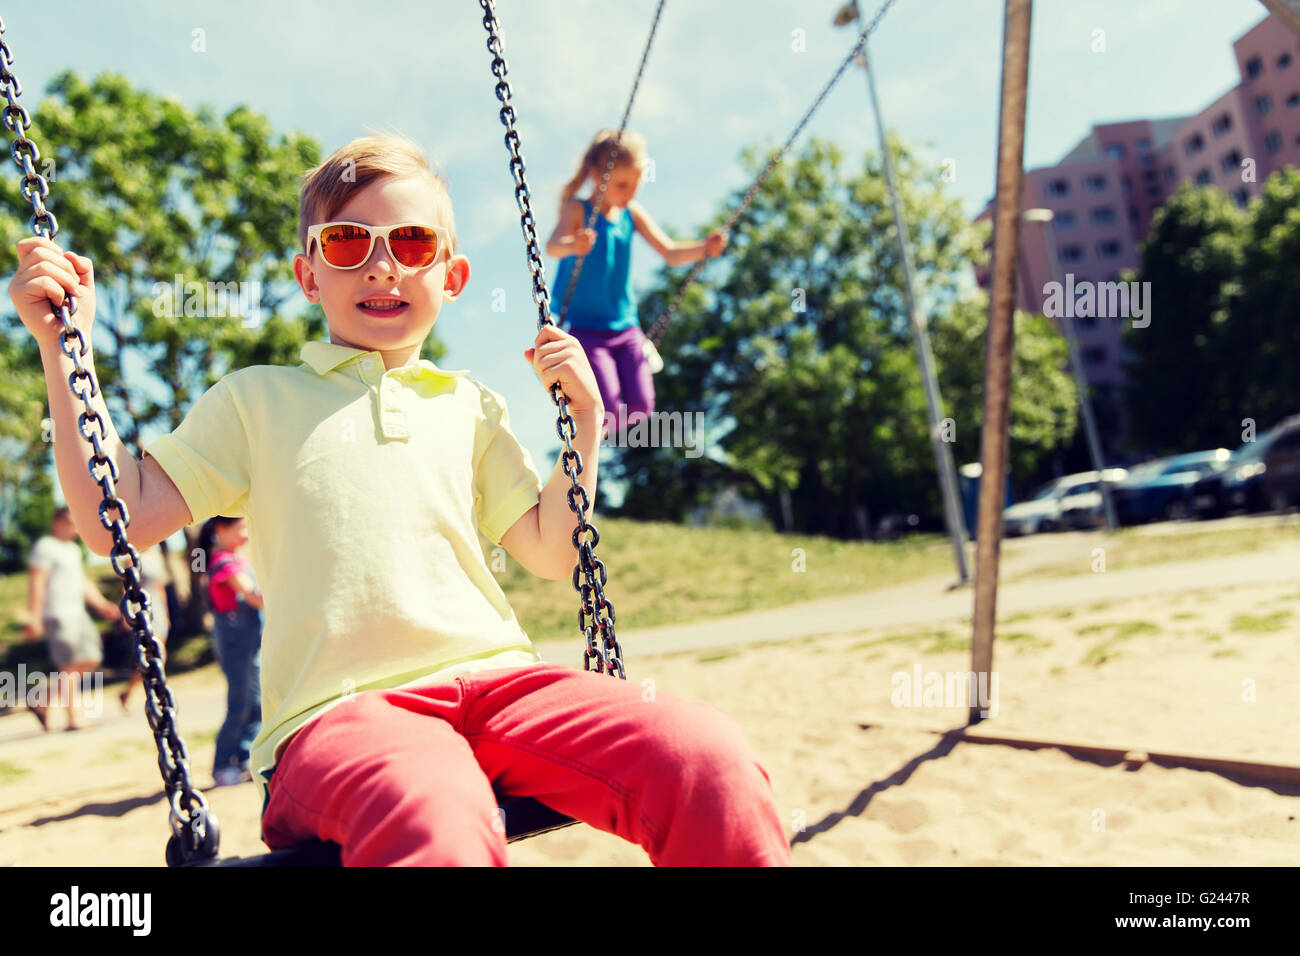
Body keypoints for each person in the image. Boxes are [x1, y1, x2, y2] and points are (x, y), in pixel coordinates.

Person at [9, 132, 790, 866]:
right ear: (308, 274)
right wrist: (61, 344)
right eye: (348, 243)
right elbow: (120, 517)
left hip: (503, 689)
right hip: (342, 715)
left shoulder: (472, 406)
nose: (381, 267)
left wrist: (584, 424)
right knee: (436, 813)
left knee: (705, 757)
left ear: (450, 277)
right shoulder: (256, 399)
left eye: (411, 243)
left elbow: (555, 551)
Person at [545, 129, 728, 431]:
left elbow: (669, 252)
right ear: (596, 175)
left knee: (641, 407)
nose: (630, 192)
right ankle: (589, 436)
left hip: (625, 326)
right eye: (621, 184)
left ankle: (601, 430)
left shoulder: (631, 213)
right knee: (611, 407)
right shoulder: (579, 209)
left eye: (636, 182)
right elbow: (553, 246)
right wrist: (573, 246)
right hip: (585, 327)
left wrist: (703, 249)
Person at [24, 506, 121, 731]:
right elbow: (37, 581)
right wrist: (34, 617)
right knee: (69, 664)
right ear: (57, 523)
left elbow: (81, 583)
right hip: (57, 614)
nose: (75, 528)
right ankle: (73, 718)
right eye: (70, 522)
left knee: (91, 657)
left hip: (78, 614)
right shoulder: (45, 547)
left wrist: (101, 605)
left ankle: (42, 700)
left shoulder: (73, 550)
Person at [197, 516, 263, 787]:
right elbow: (253, 597)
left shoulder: (239, 560)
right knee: (240, 702)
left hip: (251, 642)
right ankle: (223, 764)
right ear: (220, 530)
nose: (246, 532)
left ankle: (246, 757)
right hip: (236, 643)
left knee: (255, 702)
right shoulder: (224, 564)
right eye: (241, 528)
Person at [117, 543, 171, 712]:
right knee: (152, 654)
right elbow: (126, 589)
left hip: (157, 608)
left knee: (157, 655)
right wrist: (126, 615)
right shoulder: (131, 559)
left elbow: (160, 587)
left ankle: (129, 692)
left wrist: (167, 613)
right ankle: (155, 694)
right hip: (141, 609)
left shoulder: (156, 557)